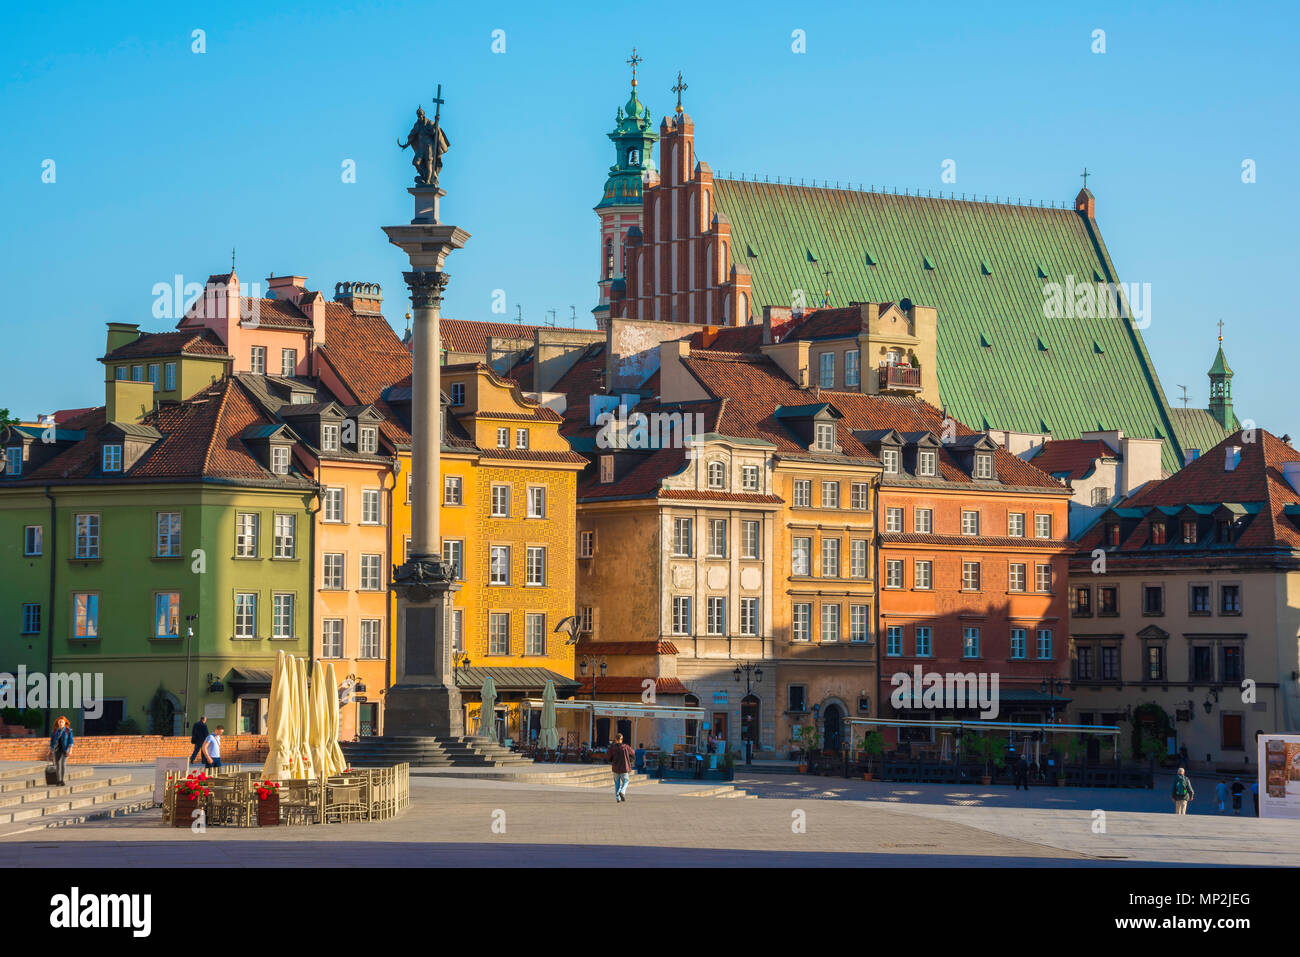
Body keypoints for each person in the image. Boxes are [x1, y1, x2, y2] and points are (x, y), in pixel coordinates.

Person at [607, 732, 634, 803]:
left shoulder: (612, 748)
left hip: (616, 768)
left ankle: (618, 798)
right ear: (622, 739)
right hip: (624, 767)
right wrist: (630, 760)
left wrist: (611, 760)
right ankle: (622, 791)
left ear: (615, 739)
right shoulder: (626, 747)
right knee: (626, 781)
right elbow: (633, 753)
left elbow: (609, 757)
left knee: (617, 783)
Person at [48, 716, 74, 786]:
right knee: (57, 765)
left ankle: (62, 780)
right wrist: (50, 751)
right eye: (59, 722)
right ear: (58, 723)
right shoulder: (54, 731)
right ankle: (58, 780)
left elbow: (71, 741)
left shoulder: (68, 731)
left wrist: (70, 750)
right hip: (56, 750)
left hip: (65, 750)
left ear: (65, 722)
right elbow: (52, 741)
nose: (61, 723)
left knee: (63, 764)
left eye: (62, 722)